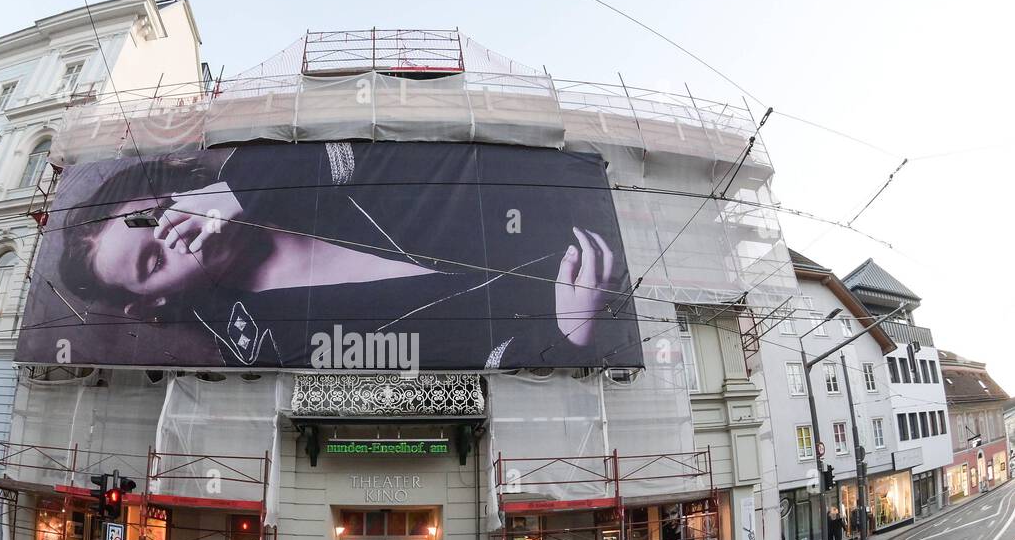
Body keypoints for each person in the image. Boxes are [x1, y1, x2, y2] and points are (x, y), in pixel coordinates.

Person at [33, 142, 641, 370]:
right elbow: (513, 366)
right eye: (151, 263)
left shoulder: (281, 172)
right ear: (156, 299)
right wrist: (576, 332)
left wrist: (239, 191)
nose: (173, 233)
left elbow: (334, 153)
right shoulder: (264, 344)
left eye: (159, 212)